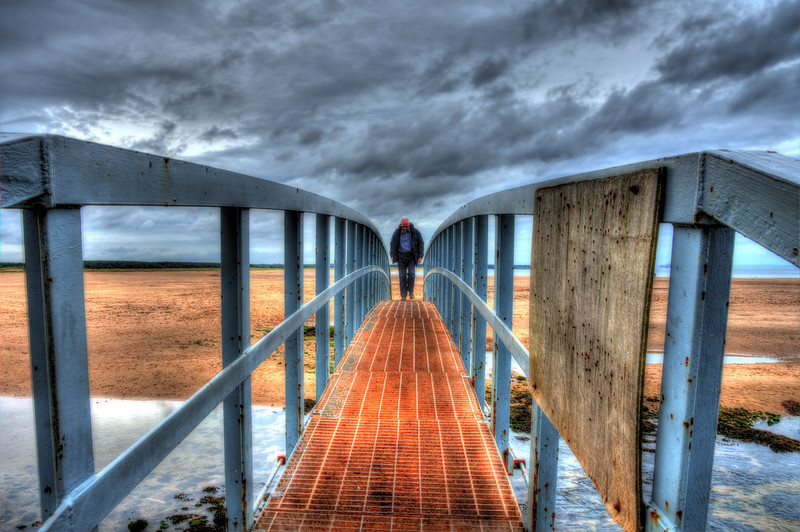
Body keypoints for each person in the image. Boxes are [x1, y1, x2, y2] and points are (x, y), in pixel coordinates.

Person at [390, 217, 424, 300]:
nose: (404, 228)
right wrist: (392, 255)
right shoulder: (397, 233)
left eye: (406, 226)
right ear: (401, 225)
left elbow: (421, 243)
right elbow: (392, 244)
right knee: (402, 276)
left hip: (411, 256)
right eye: (403, 226)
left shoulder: (415, 232)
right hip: (401, 256)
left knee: (411, 274)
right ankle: (403, 296)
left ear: (408, 224)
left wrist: (420, 256)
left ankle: (411, 292)